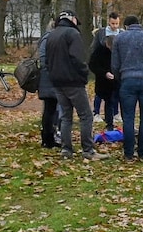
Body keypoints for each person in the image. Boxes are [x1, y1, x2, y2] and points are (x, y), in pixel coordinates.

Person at [45, 10, 107, 161]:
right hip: (73, 82)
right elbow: (78, 59)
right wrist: (84, 75)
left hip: (57, 82)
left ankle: (66, 150)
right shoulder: (72, 34)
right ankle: (88, 150)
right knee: (86, 116)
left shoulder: (51, 35)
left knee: (66, 117)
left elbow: (47, 60)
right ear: (71, 19)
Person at [110, 15, 143, 161]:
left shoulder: (119, 39)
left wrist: (120, 78)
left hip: (127, 80)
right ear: (139, 24)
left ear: (126, 26)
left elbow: (114, 64)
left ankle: (128, 153)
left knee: (128, 118)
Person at [89, 12, 121, 130]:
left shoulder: (121, 35)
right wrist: (104, 73)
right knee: (102, 97)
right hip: (104, 79)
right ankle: (98, 113)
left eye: (116, 23)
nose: (114, 26)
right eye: (113, 23)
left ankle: (113, 117)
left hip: (116, 79)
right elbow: (93, 62)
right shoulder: (101, 36)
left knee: (114, 99)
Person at [36, 22, 60, 148]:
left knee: (49, 109)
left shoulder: (46, 38)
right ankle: (48, 138)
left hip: (47, 79)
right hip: (49, 79)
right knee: (50, 110)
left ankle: (48, 137)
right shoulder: (49, 39)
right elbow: (45, 59)